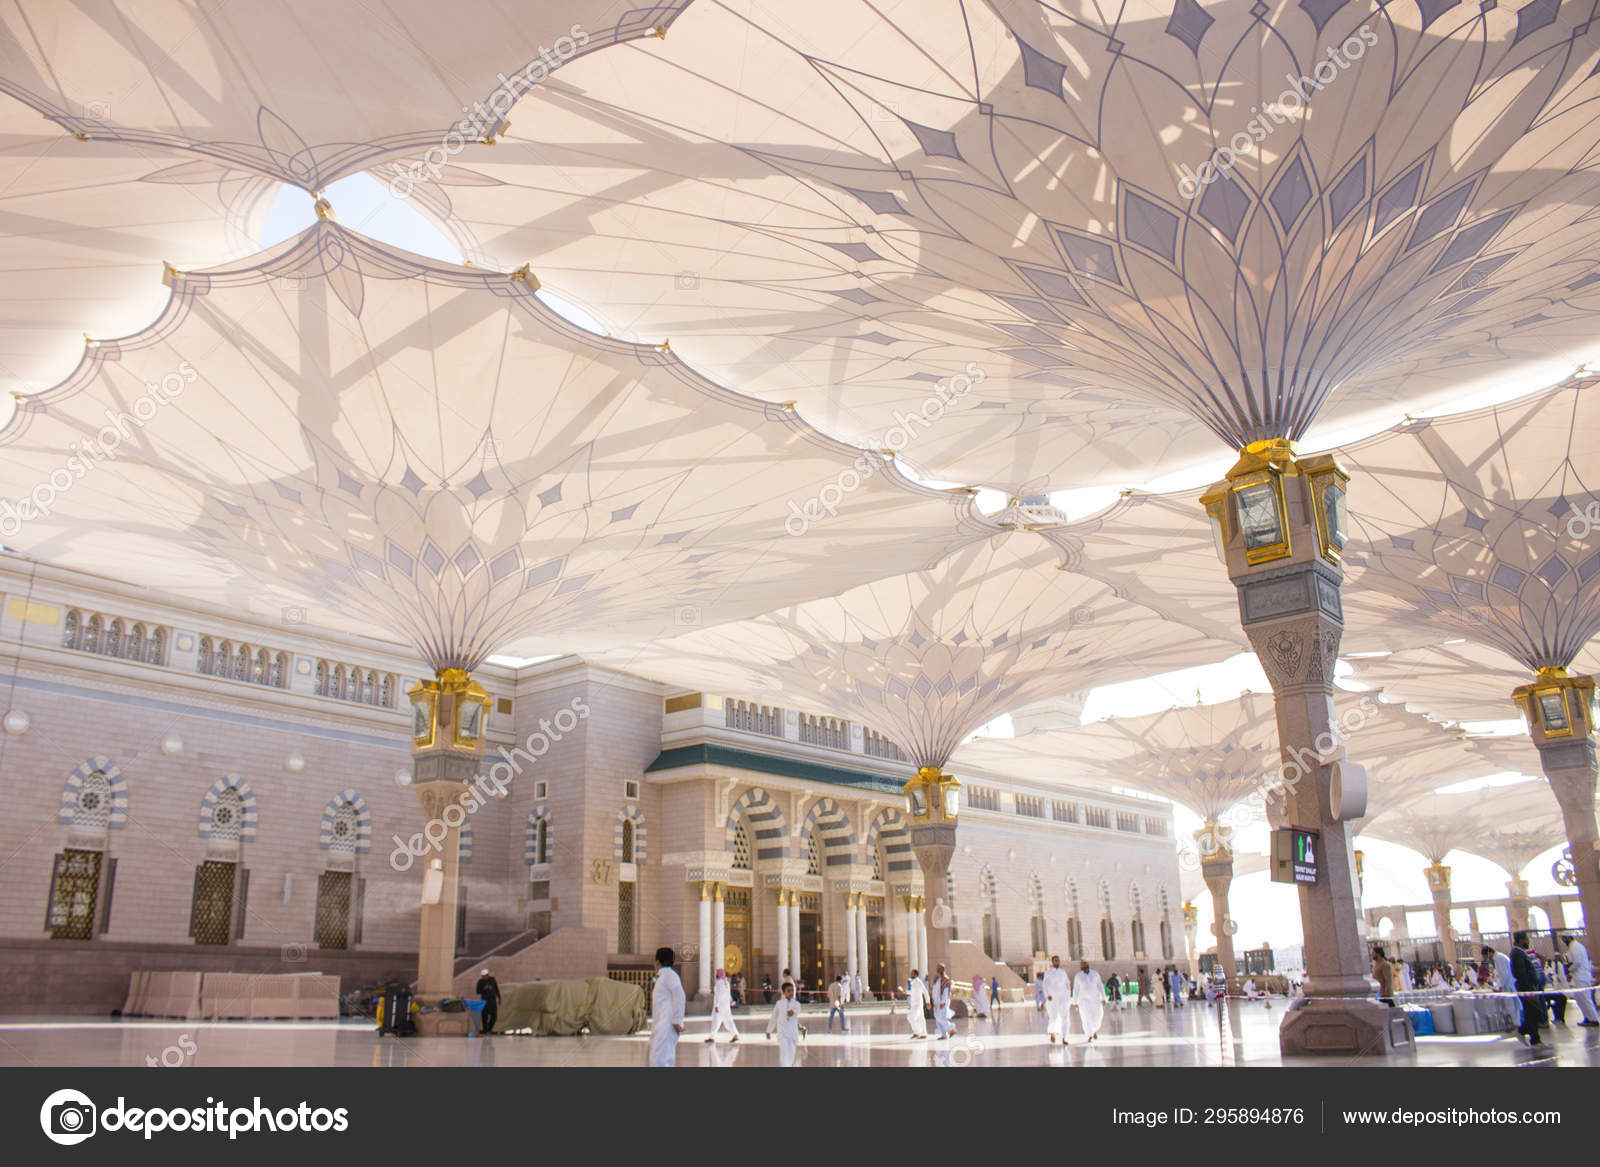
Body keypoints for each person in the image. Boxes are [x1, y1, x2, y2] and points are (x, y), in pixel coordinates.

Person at [1509, 931, 1547, 1049]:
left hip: (1529, 987)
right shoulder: (1517, 954)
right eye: (1526, 939)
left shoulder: (1520, 953)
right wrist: (1528, 991)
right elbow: (1521, 974)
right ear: (1521, 940)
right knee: (1533, 1012)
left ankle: (1532, 1037)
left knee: (1532, 1013)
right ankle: (1528, 1036)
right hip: (1526, 988)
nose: (1527, 941)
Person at [649, 946, 686, 1067]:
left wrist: (677, 1020)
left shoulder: (669, 975)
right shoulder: (664, 976)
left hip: (667, 1025)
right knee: (658, 1059)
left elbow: (680, 995)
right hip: (662, 1025)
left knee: (662, 1060)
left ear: (657, 961)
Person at [1561, 933, 1599, 1026]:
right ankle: (1588, 1018)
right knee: (1580, 999)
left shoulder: (1575, 947)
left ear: (1568, 938)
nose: (1563, 941)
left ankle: (1594, 1019)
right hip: (1579, 976)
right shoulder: (1574, 946)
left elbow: (1577, 962)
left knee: (1585, 999)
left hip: (1581, 976)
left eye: (1564, 938)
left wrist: (1569, 970)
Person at [1483, 943, 1521, 1031]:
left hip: (1508, 985)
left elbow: (1504, 974)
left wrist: (1500, 987)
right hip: (1509, 984)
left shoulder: (1499, 959)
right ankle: (1516, 1023)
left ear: (1489, 953)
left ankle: (1516, 1024)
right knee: (1513, 1005)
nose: (1487, 958)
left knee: (1511, 1005)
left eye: (1486, 956)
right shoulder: (1499, 957)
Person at [766, 980, 802, 1066]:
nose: (791, 993)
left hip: (792, 1033)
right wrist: (769, 1030)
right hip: (782, 1033)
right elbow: (774, 1018)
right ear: (783, 992)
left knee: (791, 1055)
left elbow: (795, 1012)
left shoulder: (797, 1004)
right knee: (784, 1053)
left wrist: (792, 1011)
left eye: (792, 991)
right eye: (788, 991)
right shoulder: (779, 1004)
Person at [1072, 960, 1105, 1043]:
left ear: (1088, 964)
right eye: (1082, 964)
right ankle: (1089, 1034)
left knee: (1098, 1016)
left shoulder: (1095, 974)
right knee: (1086, 1017)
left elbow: (1100, 986)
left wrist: (1103, 998)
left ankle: (1094, 1031)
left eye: (1085, 964)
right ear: (1080, 967)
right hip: (1083, 1001)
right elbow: (1075, 990)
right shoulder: (1078, 976)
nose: (1084, 965)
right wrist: (1075, 1002)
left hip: (1095, 999)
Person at [1041, 955, 1071, 1043]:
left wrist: (1068, 995)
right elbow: (1045, 984)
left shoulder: (1063, 972)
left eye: (1058, 960)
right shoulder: (1048, 972)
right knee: (1053, 1017)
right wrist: (1047, 995)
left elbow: (1067, 984)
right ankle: (1053, 1032)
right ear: (1052, 962)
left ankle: (1065, 1037)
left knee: (1065, 1017)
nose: (1057, 962)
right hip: (1053, 998)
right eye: (1055, 961)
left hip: (1063, 997)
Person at [707, 969, 740, 1044]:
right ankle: (735, 1034)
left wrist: (716, 1005)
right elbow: (728, 994)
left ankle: (712, 1037)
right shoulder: (726, 982)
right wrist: (730, 1002)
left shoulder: (720, 983)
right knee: (728, 1020)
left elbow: (719, 995)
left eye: (717, 973)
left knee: (716, 1021)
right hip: (725, 1005)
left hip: (720, 1006)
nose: (716, 975)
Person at [474, 968, 500, 1036]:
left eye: (485, 976)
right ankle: (485, 1030)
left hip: (492, 1000)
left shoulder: (492, 980)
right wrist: (484, 989)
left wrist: (499, 998)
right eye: (483, 976)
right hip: (485, 1000)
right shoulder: (480, 982)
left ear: (487, 975)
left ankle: (489, 1028)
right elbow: (477, 991)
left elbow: (496, 989)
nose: (484, 977)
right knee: (484, 1016)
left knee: (494, 1016)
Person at [931, 964, 954, 1039]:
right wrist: (933, 1000)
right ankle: (944, 1034)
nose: (938, 969)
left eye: (940, 968)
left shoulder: (945, 979)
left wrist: (942, 1002)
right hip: (936, 1001)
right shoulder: (936, 978)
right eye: (937, 968)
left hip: (942, 1001)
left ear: (943, 969)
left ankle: (951, 1028)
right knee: (937, 1017)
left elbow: (945, 992)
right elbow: (934, 990)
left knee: (941, 1017)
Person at [906, 970, 929, 1039]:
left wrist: (928, 1002)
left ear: (916, 975)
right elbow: (911, 992)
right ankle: (921, 1033)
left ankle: (918, 1032)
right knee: (921, 1019)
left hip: (918, 1004)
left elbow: (925, 991)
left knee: (911, 1017)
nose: (911, 975)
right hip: (913, 1004)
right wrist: (905, 992)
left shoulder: (918, 982)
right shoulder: (912, 983)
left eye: (912, 974)